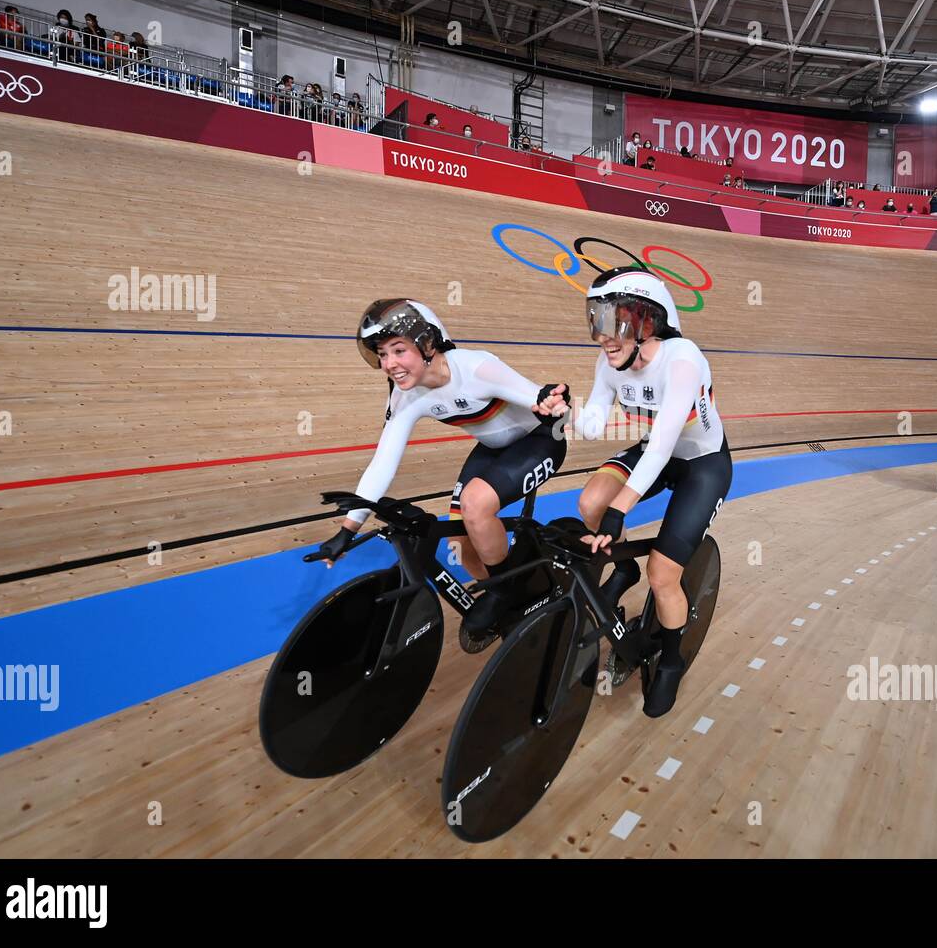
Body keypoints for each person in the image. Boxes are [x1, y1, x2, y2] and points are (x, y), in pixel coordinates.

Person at [313, 300, 572, 651]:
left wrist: (552, 401)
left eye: (398, 350)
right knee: (464, 547)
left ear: (428, 344)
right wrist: (348, 528)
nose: (389, 364)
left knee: (475, 506)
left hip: (539, 441)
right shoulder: (406, 396)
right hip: (493, 449)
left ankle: (502, 590)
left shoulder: (476, 367)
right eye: (382, 354)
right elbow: (383, 461)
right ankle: (516, 604)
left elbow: (536, 397)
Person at [570, 268, 732, 718]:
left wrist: (623, 508)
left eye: (613, 321)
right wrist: (557, 410)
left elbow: (663, 443)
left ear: (647, 323)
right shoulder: (609, 362)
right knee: (589, 503)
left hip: (701, 463)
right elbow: (591, 425)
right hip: (651, 453)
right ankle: (623, 571)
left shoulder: (683, 359)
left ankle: (672, 660)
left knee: (664, 573)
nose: (603, 336)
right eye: (596, 320)